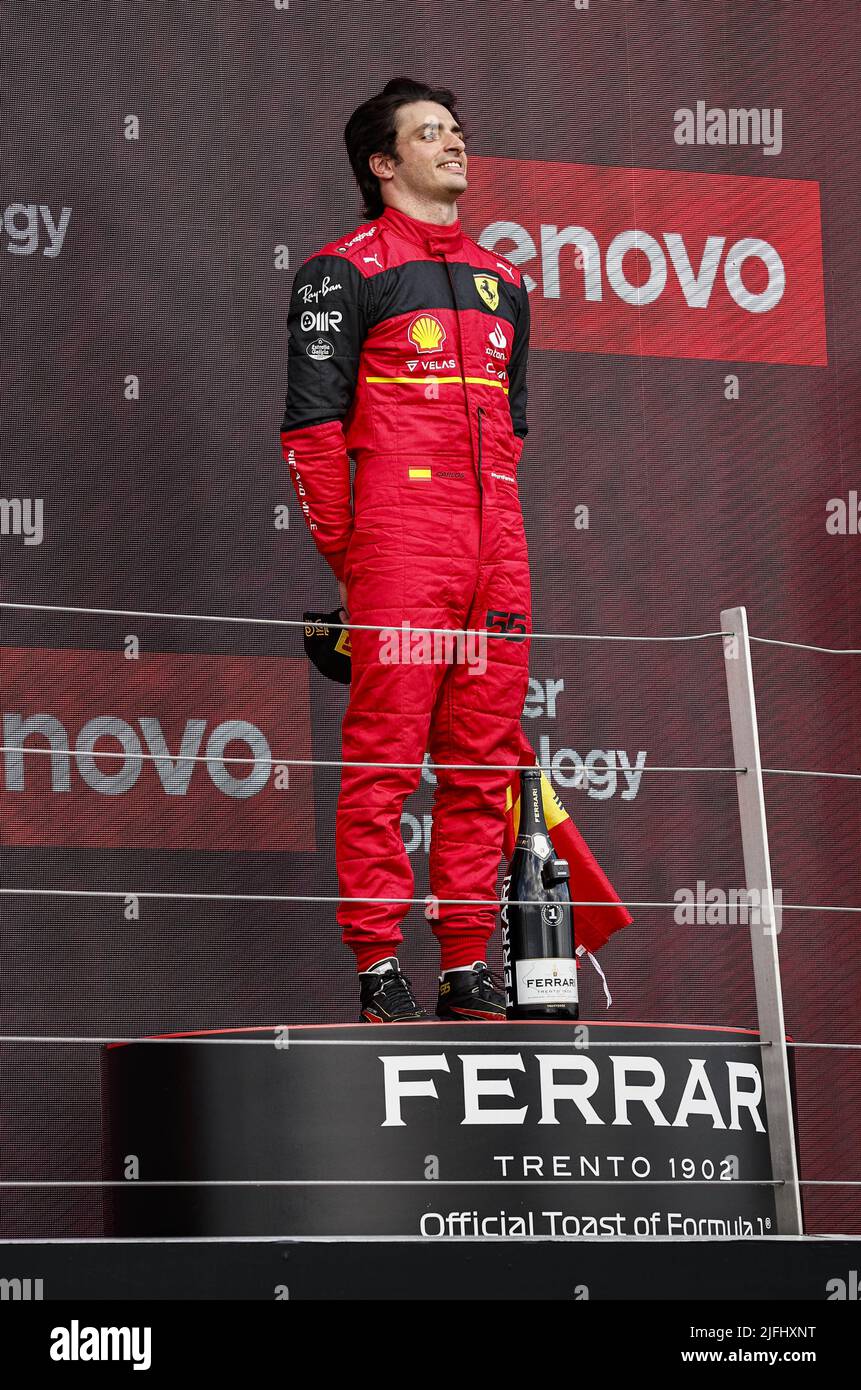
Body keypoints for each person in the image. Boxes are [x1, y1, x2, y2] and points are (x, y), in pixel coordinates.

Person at [280, 77, 531, 1023]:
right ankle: (379, 963)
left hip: (496, 543)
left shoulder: (507, 279)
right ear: (383, 163)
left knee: (482, 762)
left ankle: (468, 963)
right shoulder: (337, 270)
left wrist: (485, 534)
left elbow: (512, 428)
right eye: (430, 134)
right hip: (399, 544)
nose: (454, 145)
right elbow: (310, 432)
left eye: (457, 131)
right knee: (384, 761)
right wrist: (360, 561)